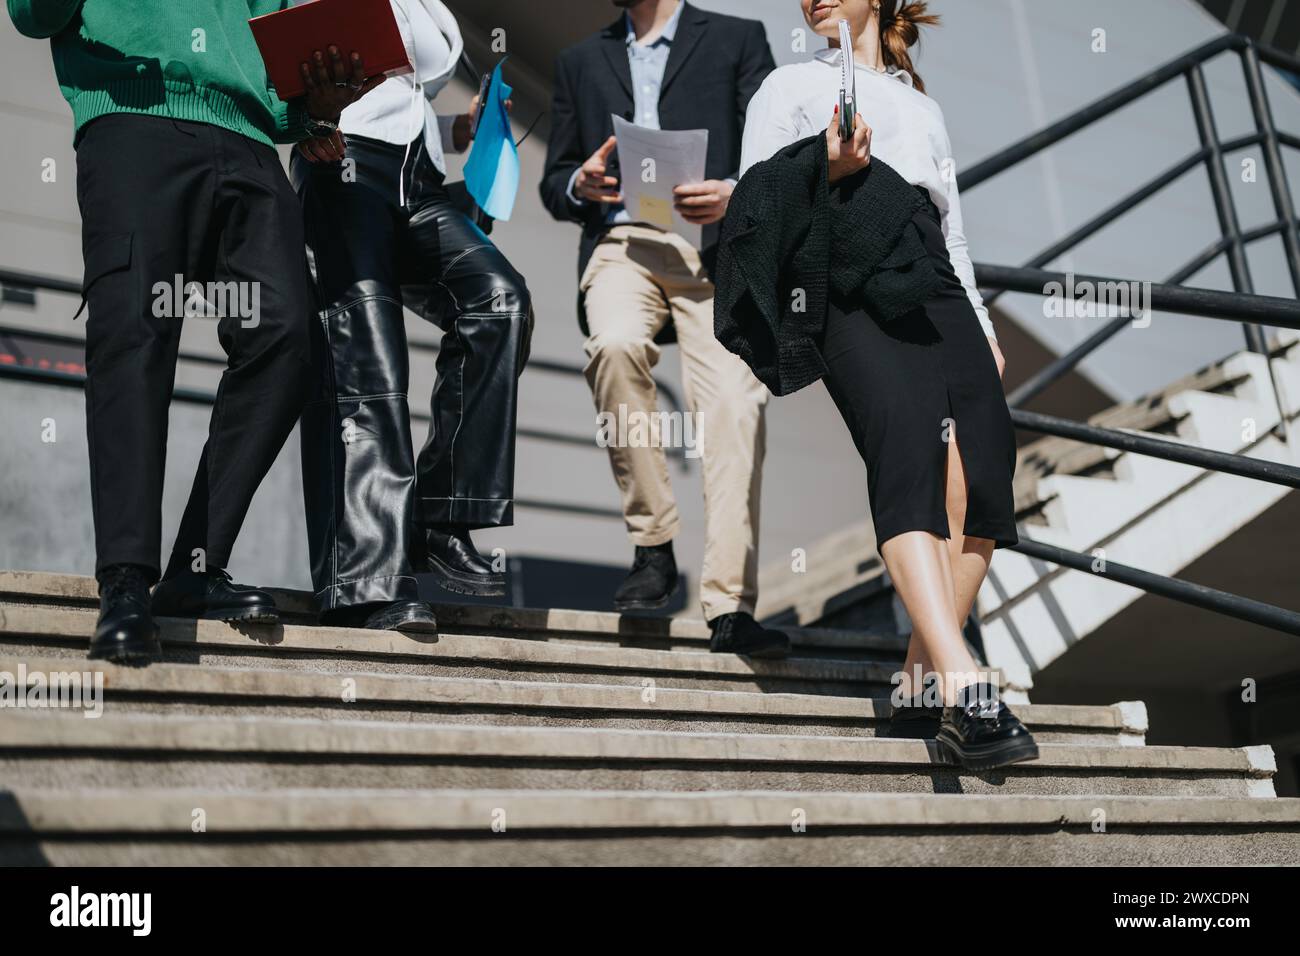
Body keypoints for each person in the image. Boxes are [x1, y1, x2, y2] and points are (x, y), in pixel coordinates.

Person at [7, 0, 382, 663]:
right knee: (136, 332)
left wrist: (318, 108)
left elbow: (273, 64)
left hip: (247, 141)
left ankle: (194, 569)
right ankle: (125, 584)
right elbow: (33, 15)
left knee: (289, 337)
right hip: (130, 119)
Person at [725, 0, 1038, 769]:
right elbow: (752, 204)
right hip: (846, 276)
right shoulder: (786, 88)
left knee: (984, 469)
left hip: (933, 273)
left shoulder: (921, 106)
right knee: (905, 448)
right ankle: (965, 687)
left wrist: (986, 326)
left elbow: (952, 227)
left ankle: (916, 686)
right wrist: (825, 167)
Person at [540, 0, 790, 658]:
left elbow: (778, 151)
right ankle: (653, 546)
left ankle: (730, 605)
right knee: (616, 345)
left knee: (735, 407)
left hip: (719, 252)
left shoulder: (738, 39)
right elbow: (554, 177)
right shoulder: (579, 61)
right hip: (622, 244)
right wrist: (578, 184)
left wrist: (735, 189)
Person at [291, 0, 532, 632]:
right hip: (345, 165)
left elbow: (402, 99)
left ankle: (439, 514)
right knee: (368, 353)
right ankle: (369, 576)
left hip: (419, 179)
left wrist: (463, 130)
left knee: (499, 301)